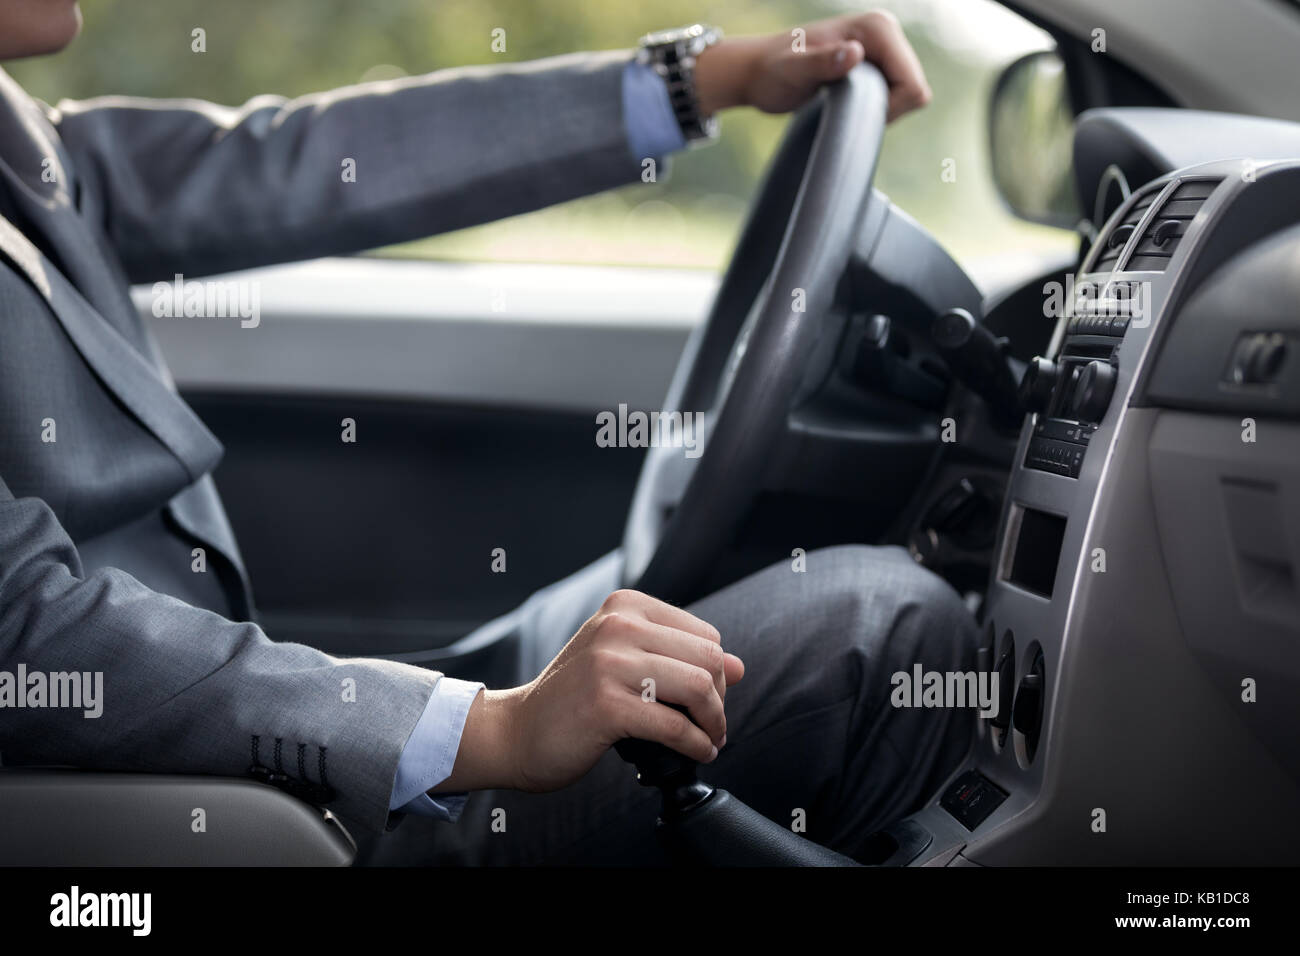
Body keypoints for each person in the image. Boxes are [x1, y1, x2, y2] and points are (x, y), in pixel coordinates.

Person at [0, 1, 975, 865]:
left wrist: (702, 78)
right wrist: (494, 732)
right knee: (879, 626)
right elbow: (23, 638)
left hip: (238, 746)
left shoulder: (18, 136)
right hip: (190, 803)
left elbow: (304, 159)